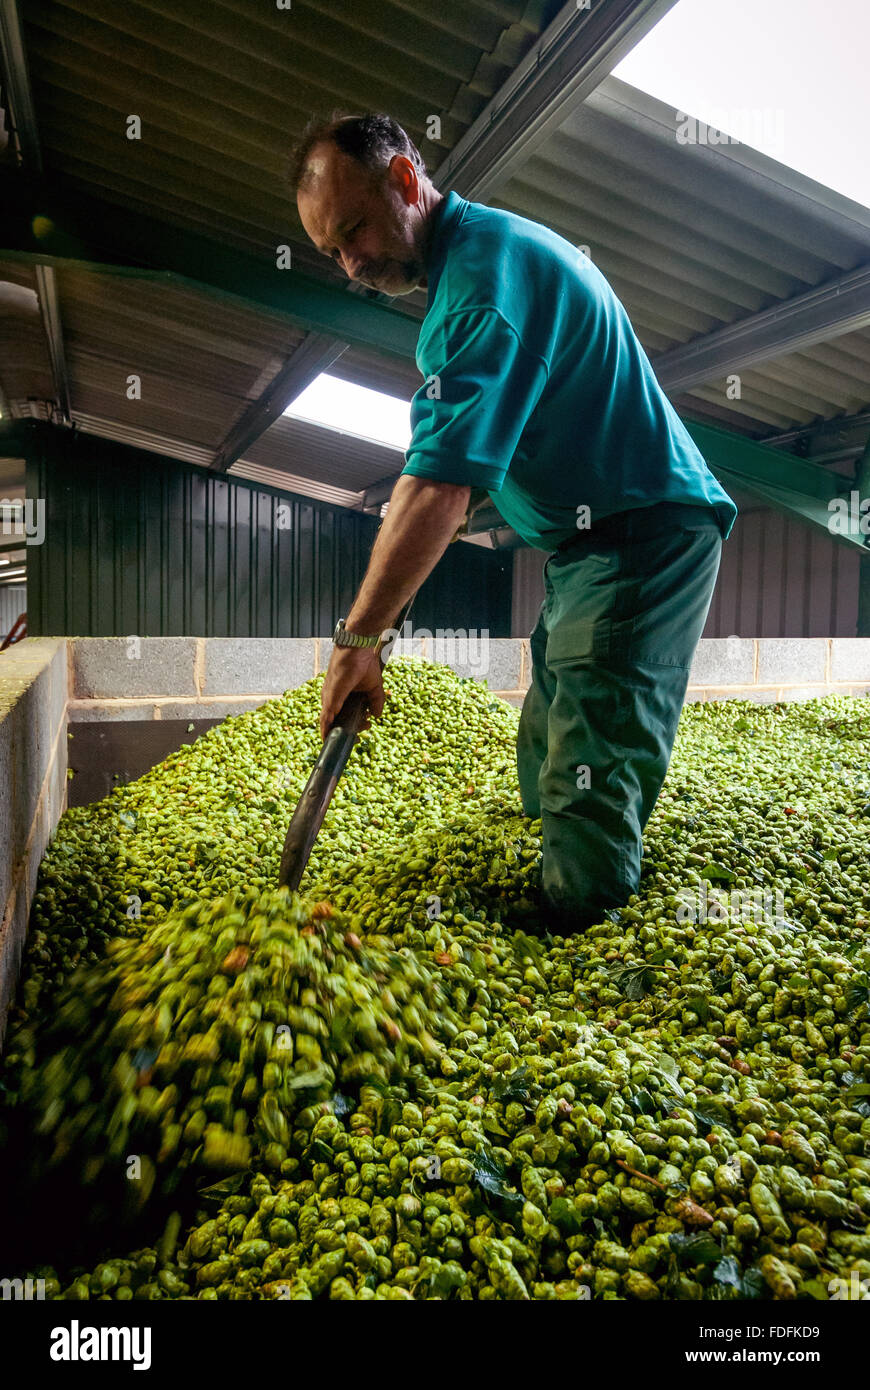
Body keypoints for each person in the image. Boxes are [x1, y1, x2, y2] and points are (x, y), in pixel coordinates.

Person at [292, 112, 738, 934]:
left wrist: (357, 641)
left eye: (353, 229)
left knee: (590, 763)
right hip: (587, 546)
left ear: (403, 180)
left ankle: (581, 927)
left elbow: (437, 490)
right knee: (547, 741)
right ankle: (549, 863)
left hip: (644, 535)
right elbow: (454, 477)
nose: (353, 263)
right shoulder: (479, 263)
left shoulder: (482, 290)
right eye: (333, 253)